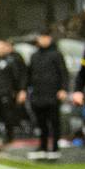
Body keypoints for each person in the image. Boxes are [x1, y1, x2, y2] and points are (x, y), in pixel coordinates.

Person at [25, 29, 68, 160]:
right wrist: (25, 89)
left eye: (45, 37)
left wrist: (63, 89)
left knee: (54, 122)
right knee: (41, 123)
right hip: (38, 94)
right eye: (41, 37)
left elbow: (63, 73)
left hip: (52, 94)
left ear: (49, 38)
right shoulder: (34, 56)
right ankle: (43, 147)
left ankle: (54, 148)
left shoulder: (56, 54)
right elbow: (29, 75)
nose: (43, 40)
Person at [0, 39, 26, 142]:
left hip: (7, 92)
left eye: (1, 47)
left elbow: (17, 76)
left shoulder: (11, 60)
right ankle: (3, 133)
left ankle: (10, 135)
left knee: (8, 114)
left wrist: (20, 90)